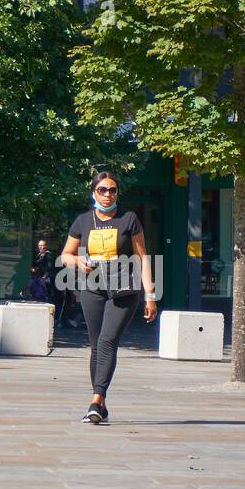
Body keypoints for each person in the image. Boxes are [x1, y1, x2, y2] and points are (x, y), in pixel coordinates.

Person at [61, 171, 158, 424]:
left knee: (107, 340)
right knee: (96, 346)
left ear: (118, 193)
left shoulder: (129, 219)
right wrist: (77, 261)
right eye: (102, 190)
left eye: (112, 190)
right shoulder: (83, 221)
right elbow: (65, 255)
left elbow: (142, 256)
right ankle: (101, 406)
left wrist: (150, 295)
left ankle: (95, 399)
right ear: (93, 192)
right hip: (92, 287)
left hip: (124, 288)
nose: (107, 194)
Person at [33, 238, 56, 305]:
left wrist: (44, 277)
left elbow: (49, 267)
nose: (41, 247)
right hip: (39, 279)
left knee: (45, 297)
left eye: (43, 245)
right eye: (40, 245)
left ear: (46, 246)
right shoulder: (39, 255)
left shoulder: (48, 255)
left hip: (45, 279)